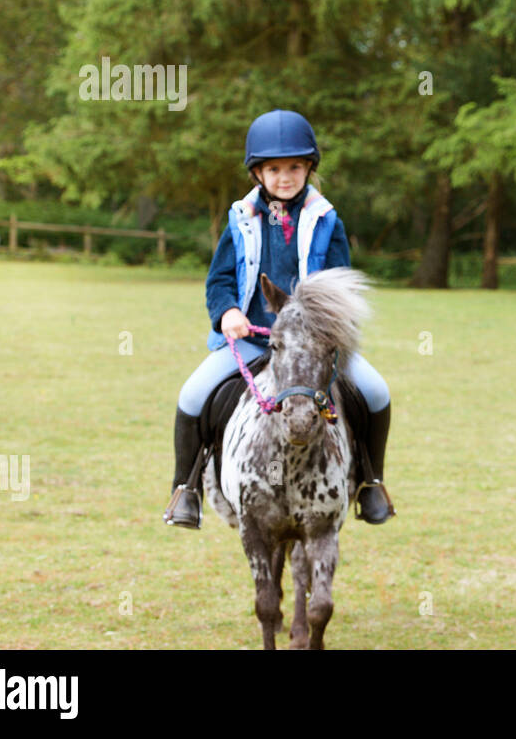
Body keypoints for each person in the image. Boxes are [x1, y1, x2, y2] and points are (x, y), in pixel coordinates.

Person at [163, 109, 394, 529]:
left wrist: (325, 333)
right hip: (251, 339)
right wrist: (228, 311)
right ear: (258, 173)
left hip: (311, 346)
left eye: (294, 167)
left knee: (376, 392)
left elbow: (339, 289)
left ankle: (371, 483)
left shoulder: (327, 221)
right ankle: (186, 488)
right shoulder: (239, 219)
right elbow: (219, 280)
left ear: (308, 168)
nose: (284, 177)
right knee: (192, 395)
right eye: (274, 168)